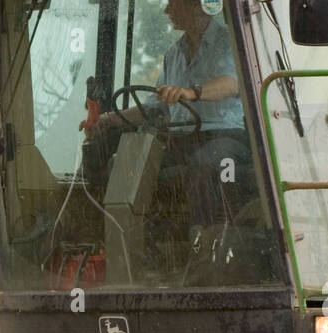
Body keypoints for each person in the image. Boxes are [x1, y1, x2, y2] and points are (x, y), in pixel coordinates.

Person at [90, 0, 252, 229]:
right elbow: (156, 107)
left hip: (226, 136)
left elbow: (232, 84)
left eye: (174, 4)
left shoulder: (231, 43)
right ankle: (140, 244)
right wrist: (110, 118)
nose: (167, 11)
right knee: (127, 166)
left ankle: (203, 242)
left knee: (206, 164)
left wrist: (191, 92)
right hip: (182, 141)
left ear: (197, 6)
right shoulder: (173, 54)